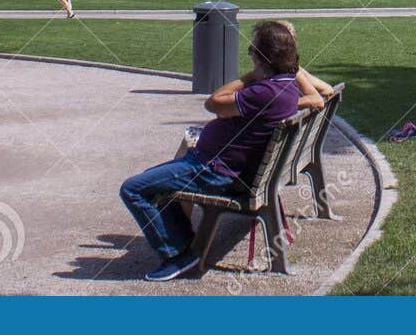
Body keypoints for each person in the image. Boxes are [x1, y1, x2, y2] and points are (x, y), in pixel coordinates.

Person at [120, 20, 303, 282]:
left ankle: (178, 255)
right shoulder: (287, 85)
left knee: (133, 188)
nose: (249, 54)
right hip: (221, 167)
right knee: (153, 179)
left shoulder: (265, 91)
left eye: (252, 50)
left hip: (214, 171)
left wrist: (249, 77)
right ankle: (184, 244)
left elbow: (213, 103)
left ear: (264, 58)